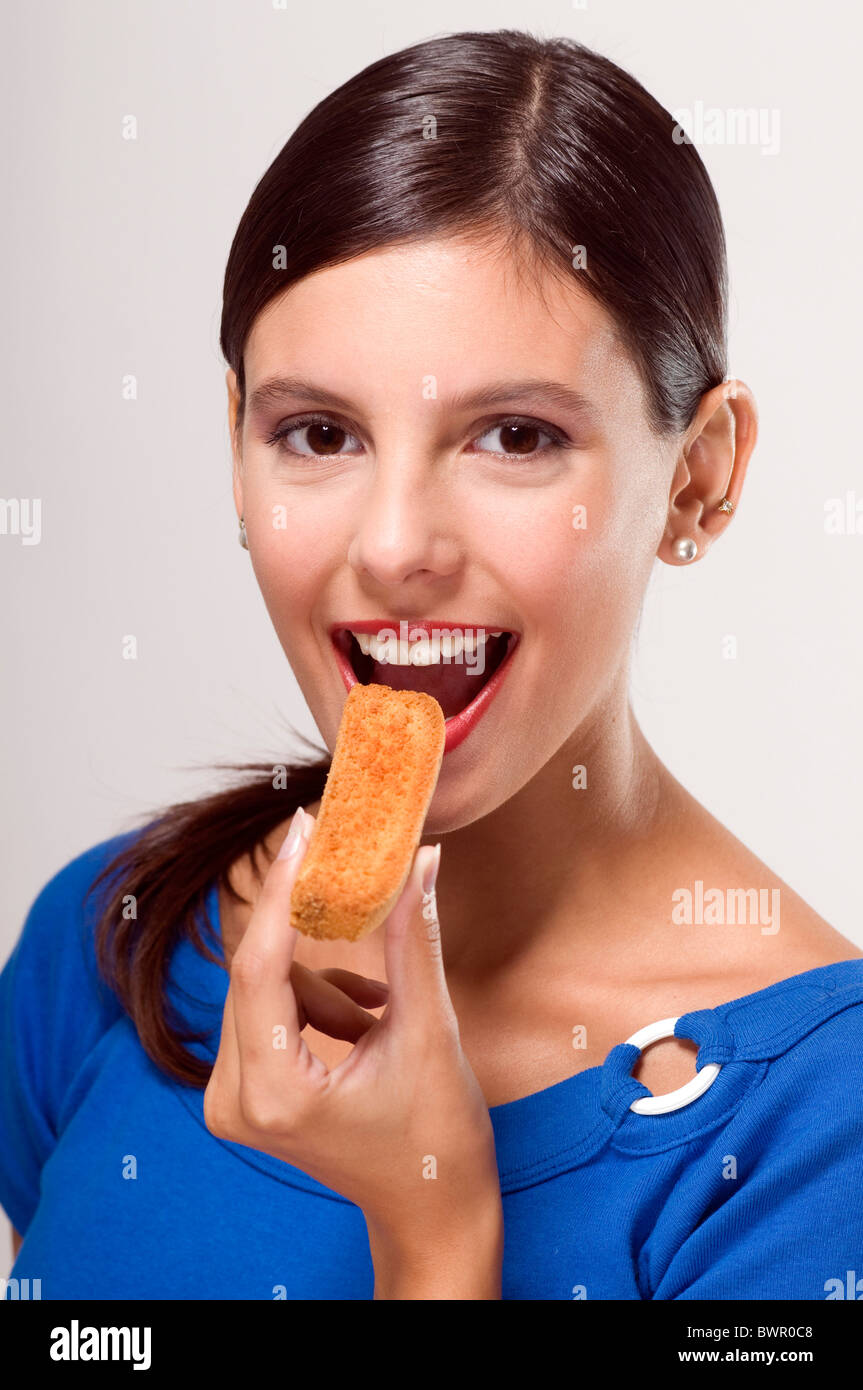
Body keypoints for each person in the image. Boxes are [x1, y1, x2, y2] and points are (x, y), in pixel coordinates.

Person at [3, 29, 862, 1301]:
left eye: (513, 436)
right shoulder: (115, 933)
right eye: (317, 432)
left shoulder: (811, 1143)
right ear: (233, 451)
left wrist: (435, 1230)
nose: (394, 544)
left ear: (698, 476)